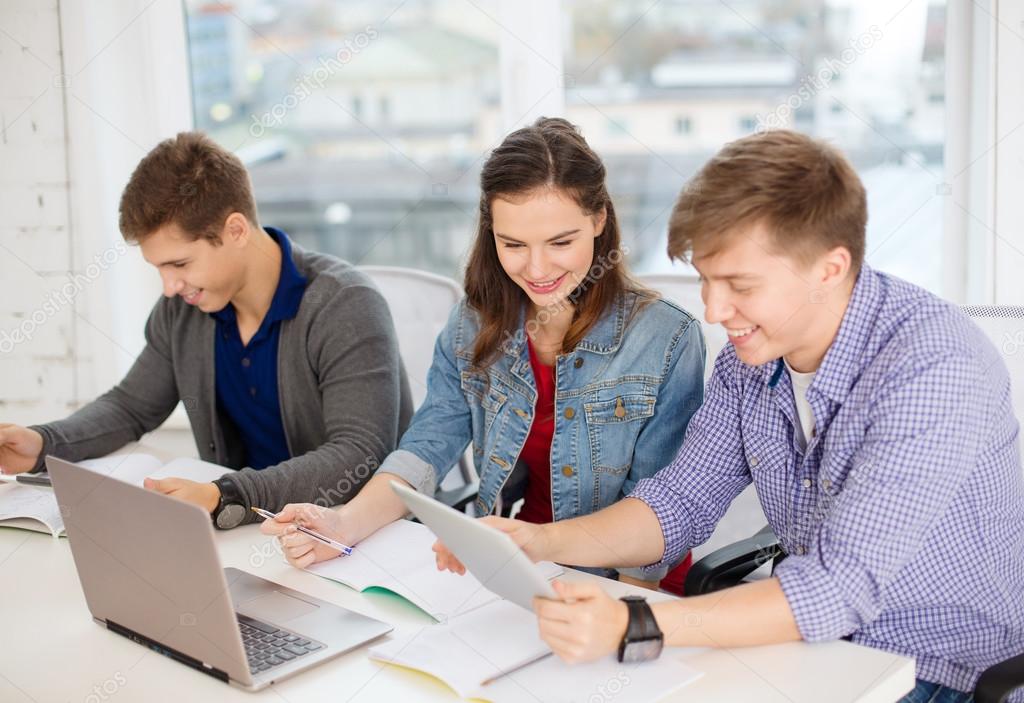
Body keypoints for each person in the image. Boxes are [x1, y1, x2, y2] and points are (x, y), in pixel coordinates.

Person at [433, 129, 1024, 700]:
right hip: (809, 649)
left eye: (739, 285)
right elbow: (678, 502)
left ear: (830, 268)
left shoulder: (934, 368)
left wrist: (634, 624)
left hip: (936, 669)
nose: (715, 311)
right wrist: (536, 541)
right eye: (706, 281)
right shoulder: (754, 356)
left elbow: (836, 589)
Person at [261, 117, 706, 586]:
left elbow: (657, 515)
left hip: (625, 580)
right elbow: (427, 448)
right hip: (518, 564)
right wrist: (343, 524)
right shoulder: (472, 325)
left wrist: (622, 625)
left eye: (561, 242)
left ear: (599, 220)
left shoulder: (666, 340)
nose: (537, 269)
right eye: (513, 244)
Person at [0, 132, 413, 529]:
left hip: (353, 534)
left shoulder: (345, 304)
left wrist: (228, 495)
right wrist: (43, 443)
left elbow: (358, 455)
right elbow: (131, 407)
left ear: (235, 230)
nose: (169, 287)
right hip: (249, 526)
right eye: (159, 268)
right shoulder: (184, 310)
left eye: (179, 264)